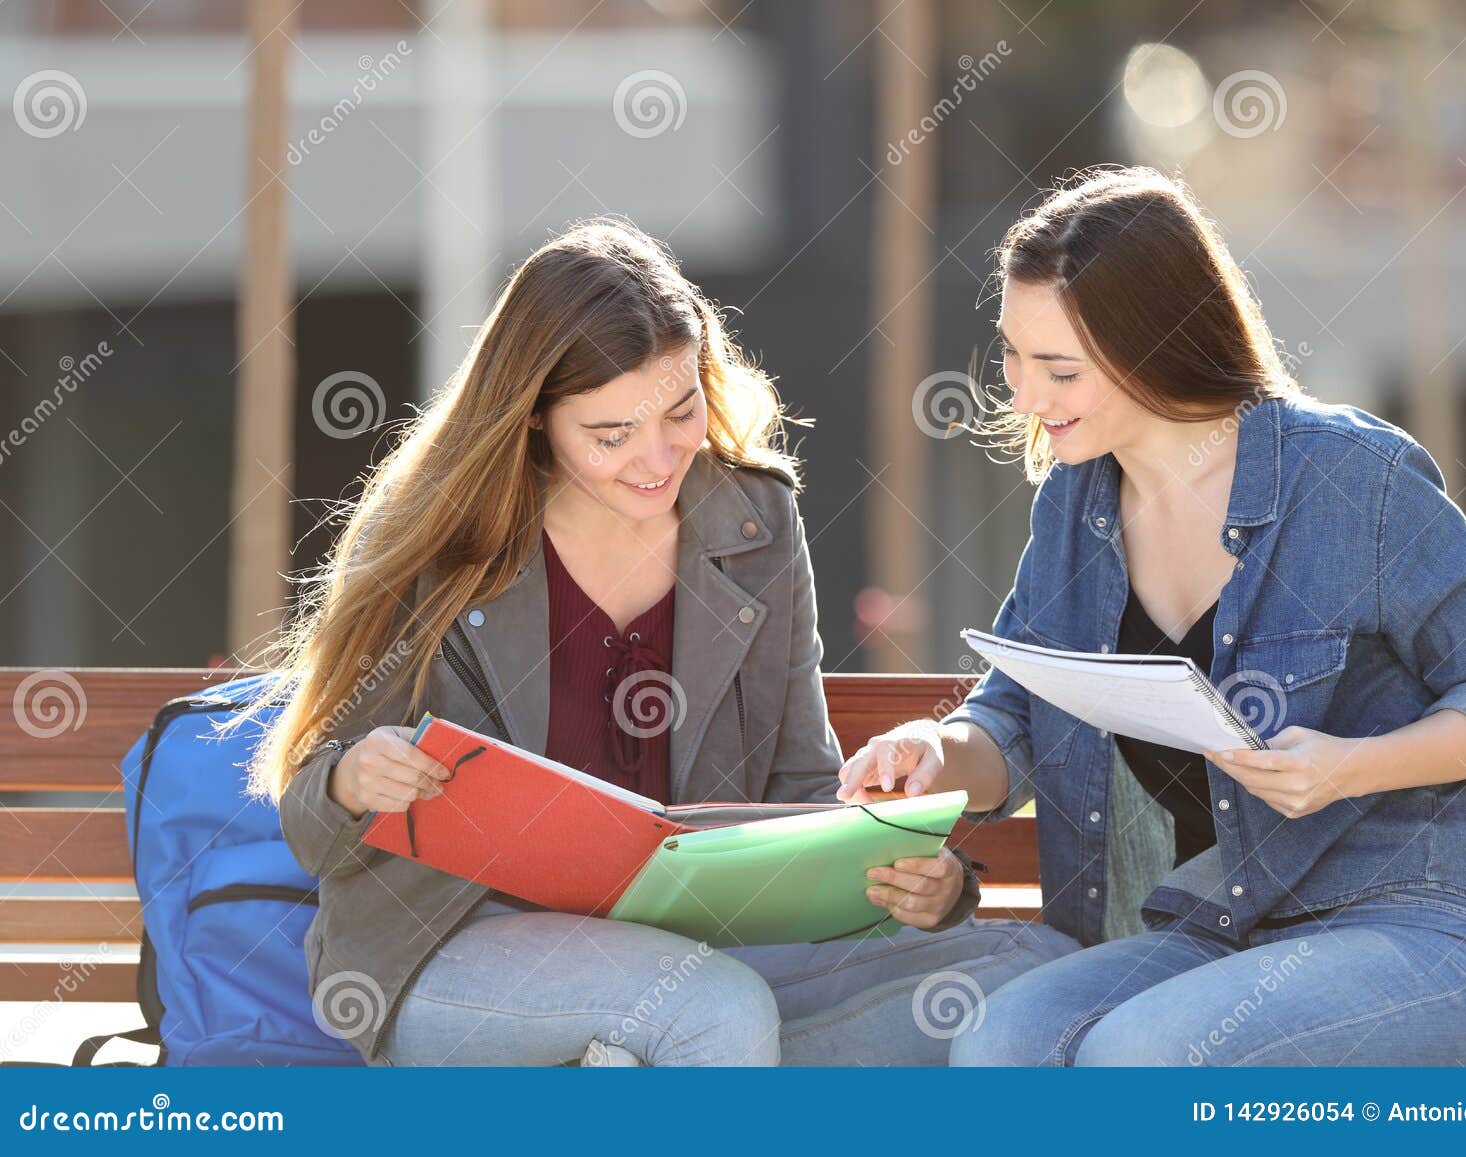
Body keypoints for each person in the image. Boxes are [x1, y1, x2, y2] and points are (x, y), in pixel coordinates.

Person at [249, 218, 1073, 1067]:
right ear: (533, 419)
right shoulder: (437, 539)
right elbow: (313, 823)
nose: (656, 458)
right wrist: (354, 780)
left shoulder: (753, 523)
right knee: (708, 1010)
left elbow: (796, 784)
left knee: (1029, 973)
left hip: (704, 937)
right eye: (610, 436)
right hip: (462, 944)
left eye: (682, 412)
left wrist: (920, 883)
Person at [837, 167, 1466, 1067]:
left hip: (1411, 920)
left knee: (1144, 1056)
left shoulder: (1350, 476)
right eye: (1012, 357)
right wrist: (933, 755)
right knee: (1000, 1042)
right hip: (1216, 922)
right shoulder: (1076, 504)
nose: (1023, 397)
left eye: (1059, 369)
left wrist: (1351, 768)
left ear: (1157, 345)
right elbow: (1016, 713)